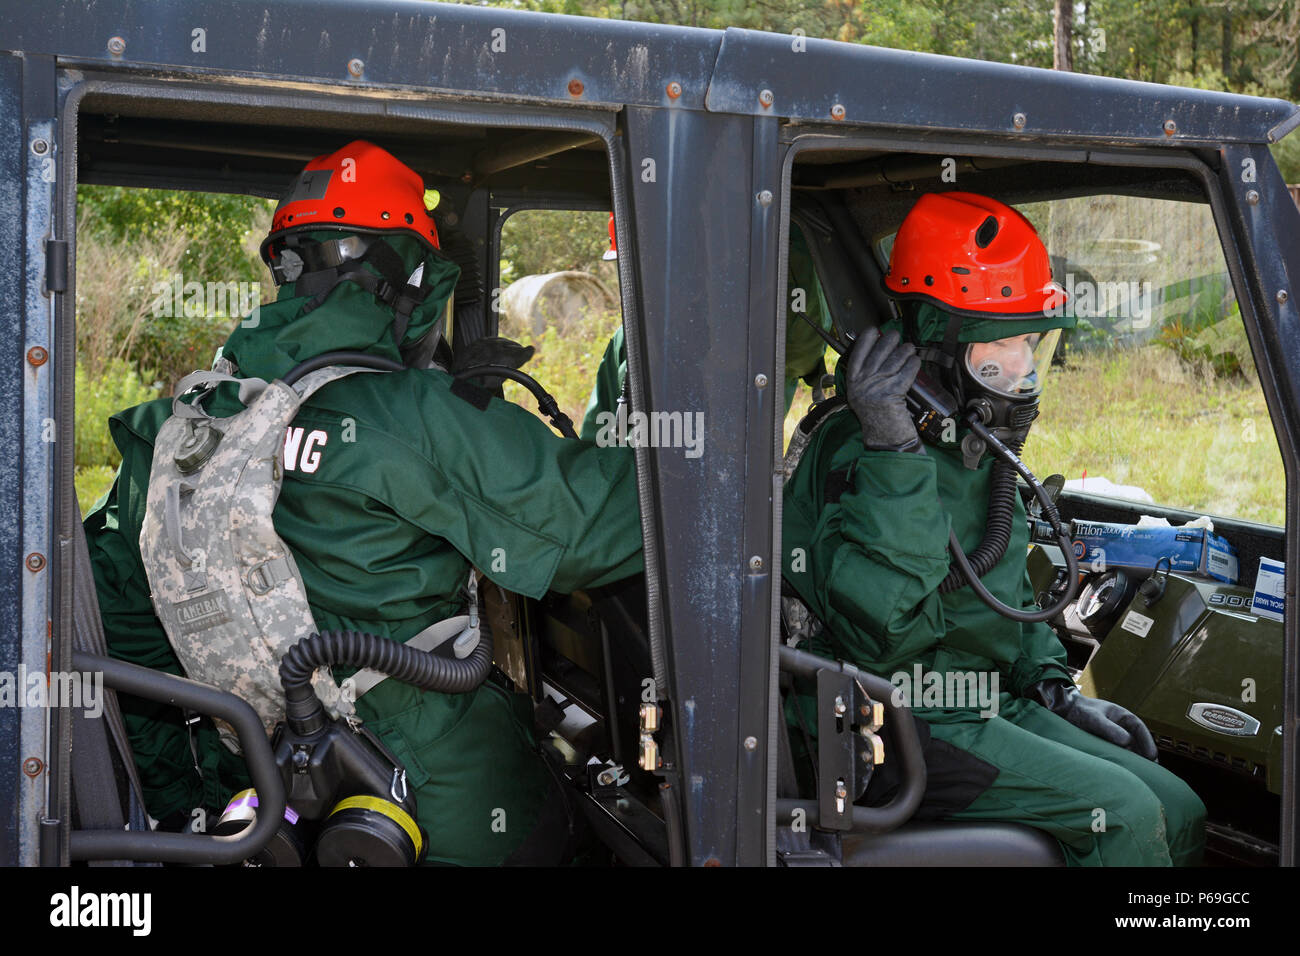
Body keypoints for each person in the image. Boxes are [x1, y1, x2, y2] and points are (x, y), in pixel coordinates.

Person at [84, 140, 645, 865]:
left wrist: (190, 802)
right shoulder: (416, 416)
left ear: (287, 268)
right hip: (450, 808)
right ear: (411, 278)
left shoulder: (171, 433)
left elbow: (125, 640)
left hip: (269, 799)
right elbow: (597, 529)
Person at [781, 191, 1206, 866]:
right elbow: (880, 633)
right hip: (887, 716)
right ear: (940, 343)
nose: (1022, 371)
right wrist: (895, 455)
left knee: (1181, 808)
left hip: (982, 697)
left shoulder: (972, 441)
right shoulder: (858, 450)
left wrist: (1052, 688)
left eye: (1030, 342)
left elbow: (999, 590)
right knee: (1126, 818)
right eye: (1000, 346)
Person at [579, 222, 833, 440]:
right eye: (635, 269)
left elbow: (802, 351)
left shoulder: (754, 329)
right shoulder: (632, 335)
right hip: (640, 490)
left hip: (731, 486)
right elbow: (598, 438)